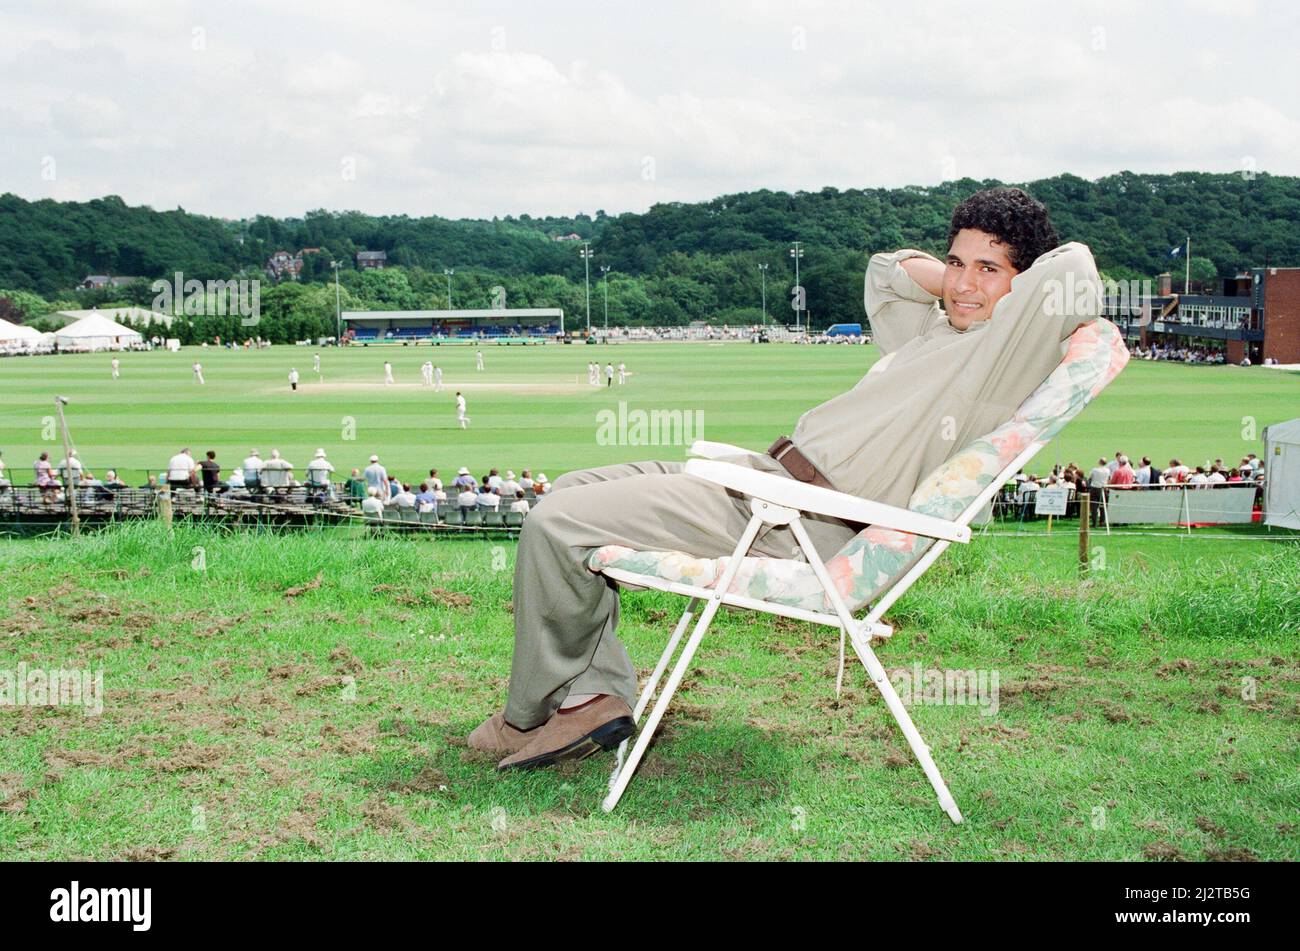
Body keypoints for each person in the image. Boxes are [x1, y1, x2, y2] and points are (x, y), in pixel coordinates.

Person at [467, 186, 1113, 771]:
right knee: (574, 490)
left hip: (797, 523)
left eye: (989, 268)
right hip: (765, 480)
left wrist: (986, 290)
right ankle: (593, 694)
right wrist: (956, 282)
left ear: (1025, 285)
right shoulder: (939, 327)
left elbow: (1076, 270)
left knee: (554, 523)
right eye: (957, 262)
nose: (965, 282)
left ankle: (526, 715)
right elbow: (883, 275)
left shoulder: (1002, 354)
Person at [1087, 457, 1110, 526]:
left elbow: (1090, 477)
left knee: (1094, 506)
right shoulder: (1108, 470)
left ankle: (1094, 522)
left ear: (1099, 462)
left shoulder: (1095, 470)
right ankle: (1102, 521)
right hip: (1104, 488)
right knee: (1103, 506)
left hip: (1095, 488)